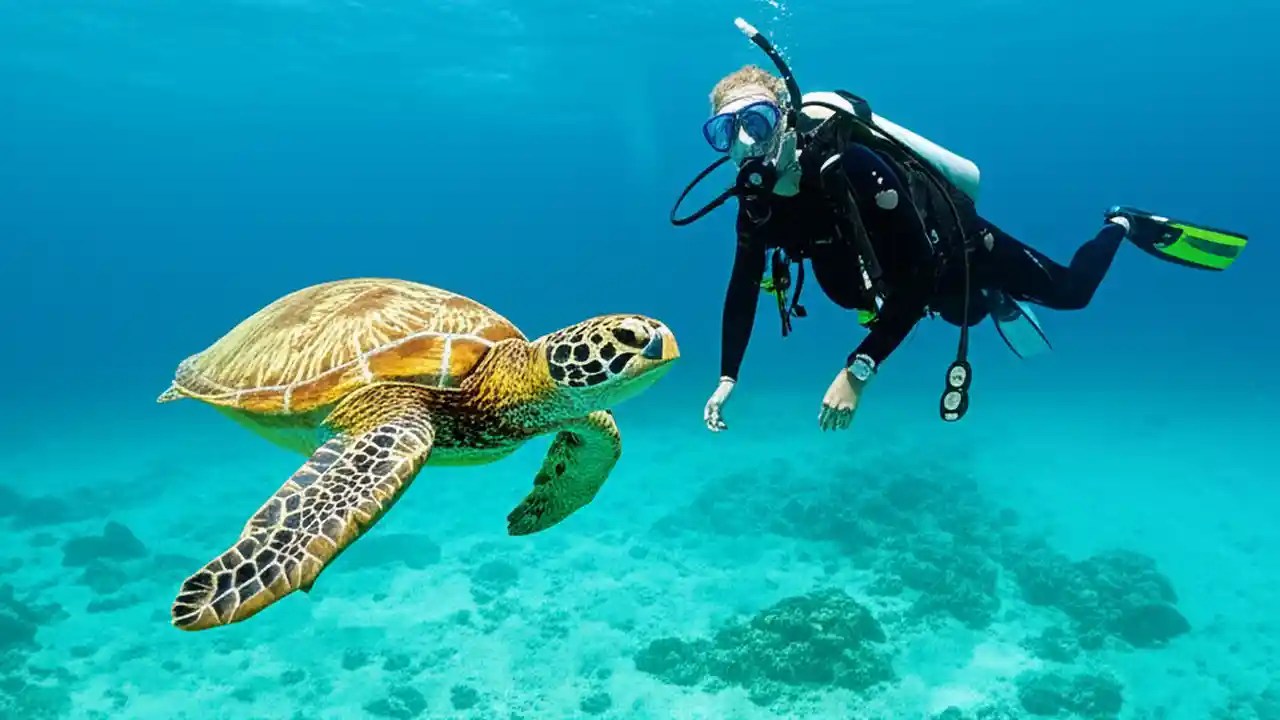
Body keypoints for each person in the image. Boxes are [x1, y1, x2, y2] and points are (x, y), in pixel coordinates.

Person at [670, 20, 1248, 433]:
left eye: (757, 120)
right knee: (953, 309)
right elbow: (742, 286)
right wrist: (728, 376)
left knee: (1070, 294)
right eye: (726, 132)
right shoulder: (757, 203)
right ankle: (987, 302)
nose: (745, 143)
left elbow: (919, 272)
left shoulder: (850, 167)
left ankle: (1122, 222)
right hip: (895, 281)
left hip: (953, 249)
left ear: (786, 119)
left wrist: (858, 371)